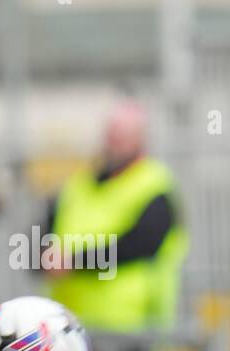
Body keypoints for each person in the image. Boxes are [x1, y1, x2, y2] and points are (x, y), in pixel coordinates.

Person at [40, 100, 189, 333]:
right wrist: (43, 258)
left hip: (133, 325)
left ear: (140, 139)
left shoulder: (154, 185)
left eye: (122, 136)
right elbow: (45, 233)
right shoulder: (78, 185)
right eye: (110, 135)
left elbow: (140, 244)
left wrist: (75, 262)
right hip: (68, 326)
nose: (113, 144)